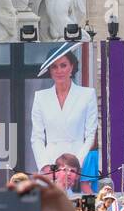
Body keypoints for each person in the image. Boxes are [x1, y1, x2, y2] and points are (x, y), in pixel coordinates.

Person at [30, 43, 98, 173]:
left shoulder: (87, 94)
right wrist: (46, 166)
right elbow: (37, 137)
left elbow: (90, 136)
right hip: (50, 164)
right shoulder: (40, 97)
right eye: (54, 67)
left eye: (63, 65)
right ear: (50, 70)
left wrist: (75, 165)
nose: (59, 71)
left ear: (72, 67)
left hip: (79, 164)